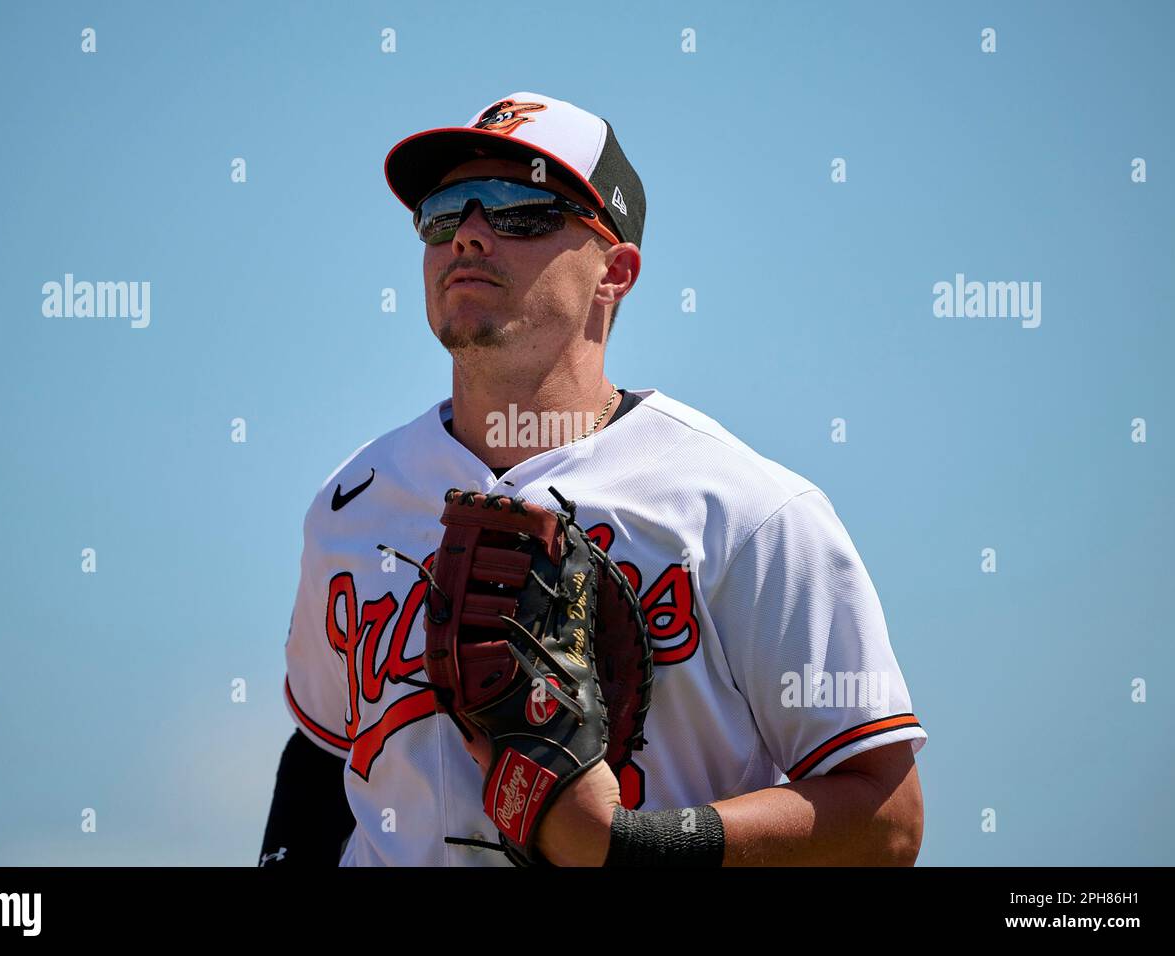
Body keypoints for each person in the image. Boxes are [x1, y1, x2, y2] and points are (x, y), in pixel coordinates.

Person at [259, 92, 926, 867]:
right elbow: (322, 754)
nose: (469, 233)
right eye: (443, 213)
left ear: (616, 271)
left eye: (519, 208)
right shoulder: (353, 502)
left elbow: (887, 819)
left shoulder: (749, 511)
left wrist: (631, 848)